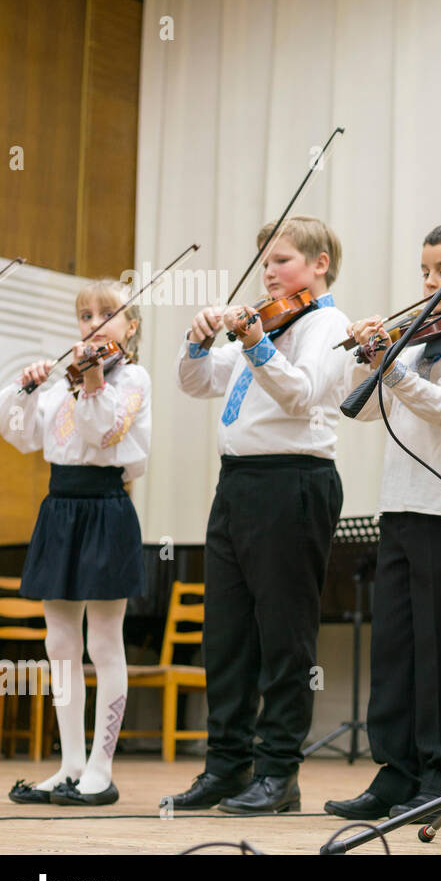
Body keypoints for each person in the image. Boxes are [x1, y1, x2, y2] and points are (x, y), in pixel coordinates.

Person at [324, 221, 441, 821]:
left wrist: (395, 366)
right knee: (397, 646)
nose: (432, 283)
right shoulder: (411, 345)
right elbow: (356, 410)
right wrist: (372, 356)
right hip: (401, 508)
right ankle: (396, 771)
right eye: (425, 273)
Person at [164, 215, 352, 815]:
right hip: (237, 484)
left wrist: (254, 342)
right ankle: (226, 766)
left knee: (285, 637)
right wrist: (197, 340)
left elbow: (301, 392)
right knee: (227, 635)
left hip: (293, 483)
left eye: (283, 260)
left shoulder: (327, 324)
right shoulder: (267, 325)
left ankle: (278, 774)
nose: (269, 272)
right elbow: (197, 383)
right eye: (265, 262)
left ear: (319, 264)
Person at [0, 280, 150, 807]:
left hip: (105, 508)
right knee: (59, 645)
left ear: (131, 327)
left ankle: (101, 770)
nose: (93, 323)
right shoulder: (63, 384)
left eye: (107, 314)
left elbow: (102, 433)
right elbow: (18, 433)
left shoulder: (132, 380)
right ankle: (71, 763)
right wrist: (26, 387)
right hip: (58, 509)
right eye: (85, 315)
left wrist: (91, 381)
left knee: (103, 643)